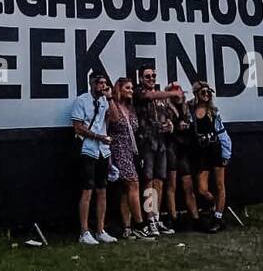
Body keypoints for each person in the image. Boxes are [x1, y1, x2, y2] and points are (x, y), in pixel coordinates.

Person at [133, 67, 184, 236]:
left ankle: (156, 216)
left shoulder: (162, 98)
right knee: (148, 181)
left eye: (154, 75)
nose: (151, 78)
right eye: (148, 76)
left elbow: (167, 116)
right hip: (146, 143)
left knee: (160, 181)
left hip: (162, 143)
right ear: (141, 78)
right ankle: (149, 219)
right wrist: (171, 93)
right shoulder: (140, 93)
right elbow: (149, 96)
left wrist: (170, 125)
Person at [70, 71, 116, 245]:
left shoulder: (105, 101)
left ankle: (100, 229)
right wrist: (98, 137)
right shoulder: (82, 101)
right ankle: (84, 231)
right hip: (88, 149)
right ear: (91, 83)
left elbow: (115, 118)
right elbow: (78, 127)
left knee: (102, 190)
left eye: (104, 83)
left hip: (103, 150)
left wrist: (110, 99)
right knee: (87, 190)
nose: (102, 86)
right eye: (98, 82)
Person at [107, 78, 150, 239]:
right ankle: (139, 224)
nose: (131, 90)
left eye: (132, 88)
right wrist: (111, 99)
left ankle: (127, 227)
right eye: (128, 88)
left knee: (126, 191)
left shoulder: (131, 108)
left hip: (132, 150)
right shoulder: (113, 105)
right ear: (120, 89)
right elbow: (114, 120)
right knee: (133, 184)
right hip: (119, 150)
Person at [189, 82, 230, 231]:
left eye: (208, 93)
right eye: (203, 93)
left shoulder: (213, 111)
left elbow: (221, 132)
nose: (206, 95)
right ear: (197, 94)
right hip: (201, 152)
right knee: (202, 189)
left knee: (220, 184)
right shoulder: (191, 111)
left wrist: (226, 152)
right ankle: (215, 206)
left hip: (214, 148)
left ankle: (218, 217)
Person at [162, 82, 202, 231]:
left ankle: (195, 217)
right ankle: (173, 218)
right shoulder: (166, 108)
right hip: (172, 146)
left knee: (188, 185)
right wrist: (173, 126)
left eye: (179, 91)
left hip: (183, 148)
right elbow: (163, 124)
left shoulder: (187, 107)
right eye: (174, 92)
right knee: (171, 185)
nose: (178, 94)